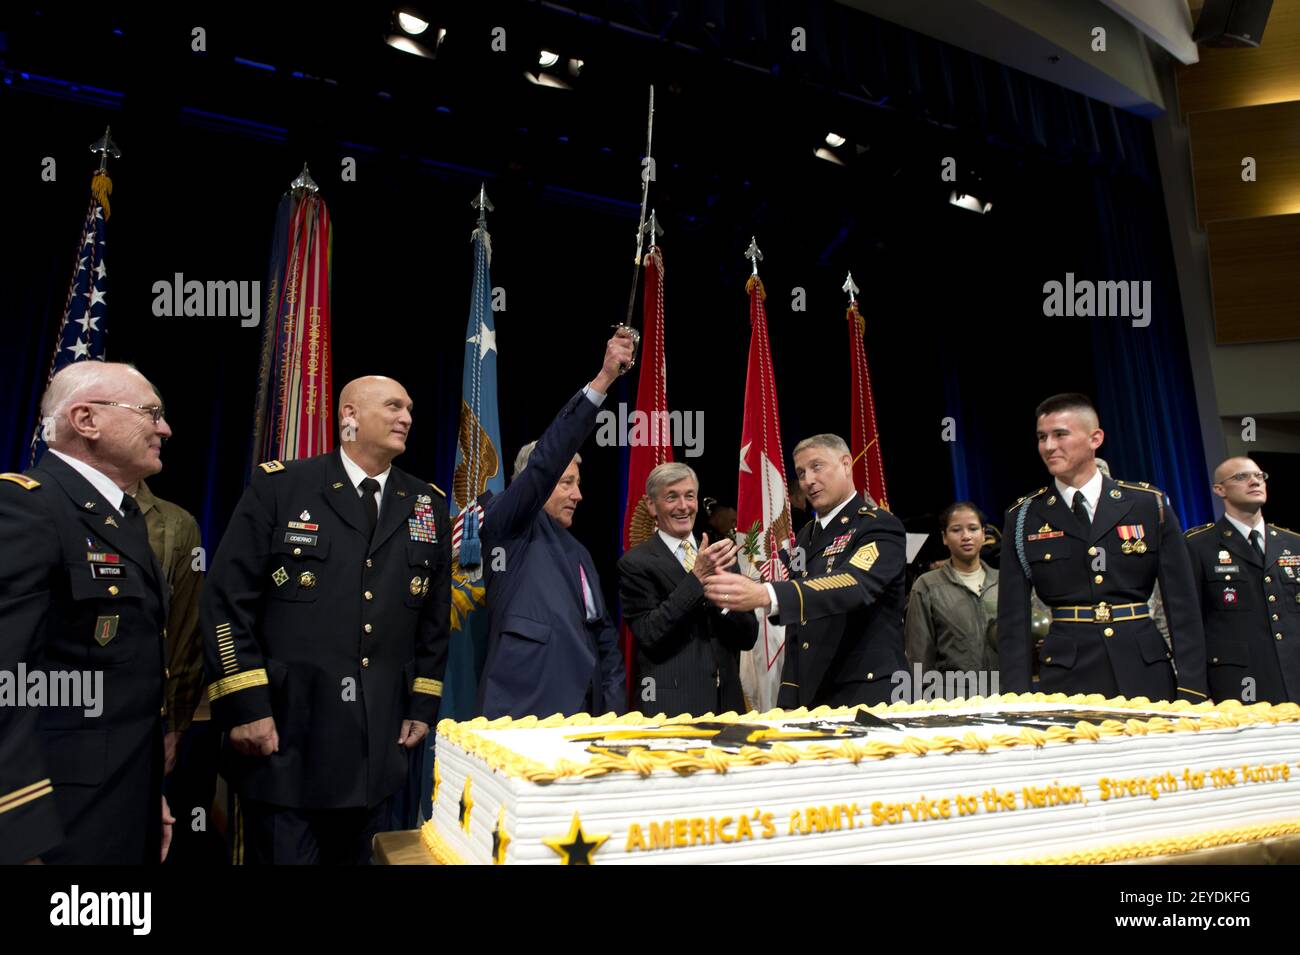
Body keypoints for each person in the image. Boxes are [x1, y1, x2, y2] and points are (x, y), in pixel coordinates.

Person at [200, 375, 450, 864]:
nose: (407, 418)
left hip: (375, 753)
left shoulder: (427, 503)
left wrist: (422, 706)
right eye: (394, 406)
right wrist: (246, 706)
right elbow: (227, 603)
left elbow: (434, 620)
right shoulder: (283, 486)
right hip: (287, 743)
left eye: (411, 409)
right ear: (349, 416)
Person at [0, 361, 174, 864]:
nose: (164, 428)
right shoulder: (29, 508)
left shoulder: (121, 516)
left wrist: (146, 795)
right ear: (86, 419)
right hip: (54, 820)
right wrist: (17, 836)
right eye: (150, 413)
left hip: (120, 801)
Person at [997, 393, 1206, 703]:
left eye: (1060, 434)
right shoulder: (1025, 515)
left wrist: (1193, 689)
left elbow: (1183, 605)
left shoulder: (1148, 505)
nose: (1049, 446)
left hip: (1144, 670)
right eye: (1042, 437)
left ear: (1095, 438)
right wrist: (1016, 697)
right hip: (1067, 676)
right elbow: (1013, 620)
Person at [478, 333, 634, 719]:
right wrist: (603, 381)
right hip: (525, 711)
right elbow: (548, 458)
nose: (578, 495)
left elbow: (603, 638)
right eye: (566, 483)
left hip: (586, 719)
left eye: (578, 484)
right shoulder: (506, 523)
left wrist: (613, 713)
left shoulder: (578, 552)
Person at [702, 433, 908, 708]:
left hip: (866, 693)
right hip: (812, 694)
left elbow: (854, 584)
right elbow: (797, 625)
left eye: (817, 467)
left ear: (846, 464)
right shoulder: (805, 537)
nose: (808, 480)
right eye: (801, 472)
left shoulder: (878, 526)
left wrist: (767, 594)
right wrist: (726, 581)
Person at [618, 462, 758, 715]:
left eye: (689, 496)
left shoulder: (719, 554)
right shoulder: (635, 563)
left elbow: (748, 637)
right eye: (672, 497)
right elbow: (650, 633)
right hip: (671, 709)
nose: (683, 506)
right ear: (652, 506)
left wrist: (722, 600)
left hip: (727, 705)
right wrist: (697, 579)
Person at [1185, 457, 1300, 704]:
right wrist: (1196, 688)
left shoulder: (1292, 543)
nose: (1254, 481)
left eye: (1259, 476)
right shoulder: (1198, 545)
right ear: (1219, 489)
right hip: (1238, 680)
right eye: (1241, 477)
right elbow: (1189, 621)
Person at [905, 502, 999, 685]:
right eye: (956, 530)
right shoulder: (927, 586)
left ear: (983, 534)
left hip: (1006, 696)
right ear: (944, 537)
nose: (966, 536)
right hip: (954, 700)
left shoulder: (1003, 582)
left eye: (973, 529)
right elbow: (919, 655)